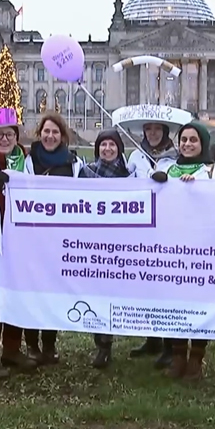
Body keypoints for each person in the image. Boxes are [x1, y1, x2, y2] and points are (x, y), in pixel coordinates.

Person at [150, 121, 215, 380]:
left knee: (199, 304)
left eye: (193, 140)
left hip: (203, 248)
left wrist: (198, 188)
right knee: (175, 303)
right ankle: (177, 356)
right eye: (183, 140)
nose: (187, 144)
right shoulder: (168, 169)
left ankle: (196, 358)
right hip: (173, 247)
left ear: (203, 143)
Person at [0, 116, 38, 381]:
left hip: (20, 239)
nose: (4, 139)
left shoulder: (25, 162)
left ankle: (12, 349)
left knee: (16, 296)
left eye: (9, 134)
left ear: (16, 137)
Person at [23, 111, 82, 364]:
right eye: (46, 131)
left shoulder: (74, 163)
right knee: (32, 292)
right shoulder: (28, 161)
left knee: (52, 293)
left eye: (55, 132)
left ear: (62, 136)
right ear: (40, 134)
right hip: (33, 238)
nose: (50, 136)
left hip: (60, 238)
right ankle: (31, 344)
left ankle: (49, 344)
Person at [127, 120, 181, 367]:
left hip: (169, 227)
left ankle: (170, 345)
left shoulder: (176, 158)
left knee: (167, 288)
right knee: (147, 286)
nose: (152, 133)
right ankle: (152, 339)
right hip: (142, 227)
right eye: (148, 129)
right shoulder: (136, 156)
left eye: (157, 129)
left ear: (165, 132)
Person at [79, 129, 132, 368]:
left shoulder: (129, 176)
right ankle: (102, 345)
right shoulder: (86, 172)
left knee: (113, 295)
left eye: (112, 145)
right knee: (97, 294)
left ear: (119, 149)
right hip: (93, 242)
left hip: (121, 244)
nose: (107, 149)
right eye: (103, 145)